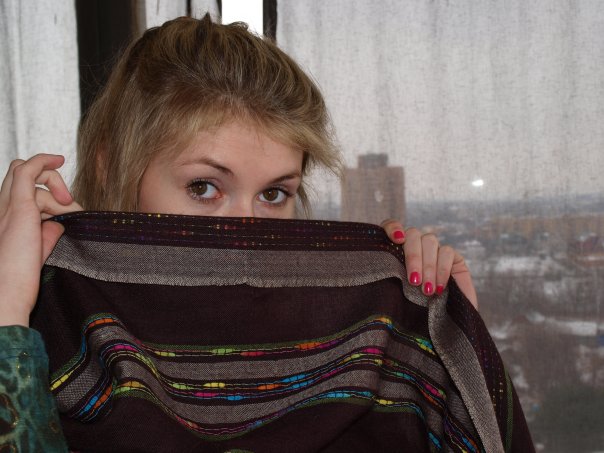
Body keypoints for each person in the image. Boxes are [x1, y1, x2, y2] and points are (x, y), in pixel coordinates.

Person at [0, 13, 477, 447]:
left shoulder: (344, 350)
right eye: (203, 187)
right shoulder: (47, 335)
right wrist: (8, 316)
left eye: (274, 194)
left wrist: (445, 347)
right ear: (113, 169)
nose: (245, 230)